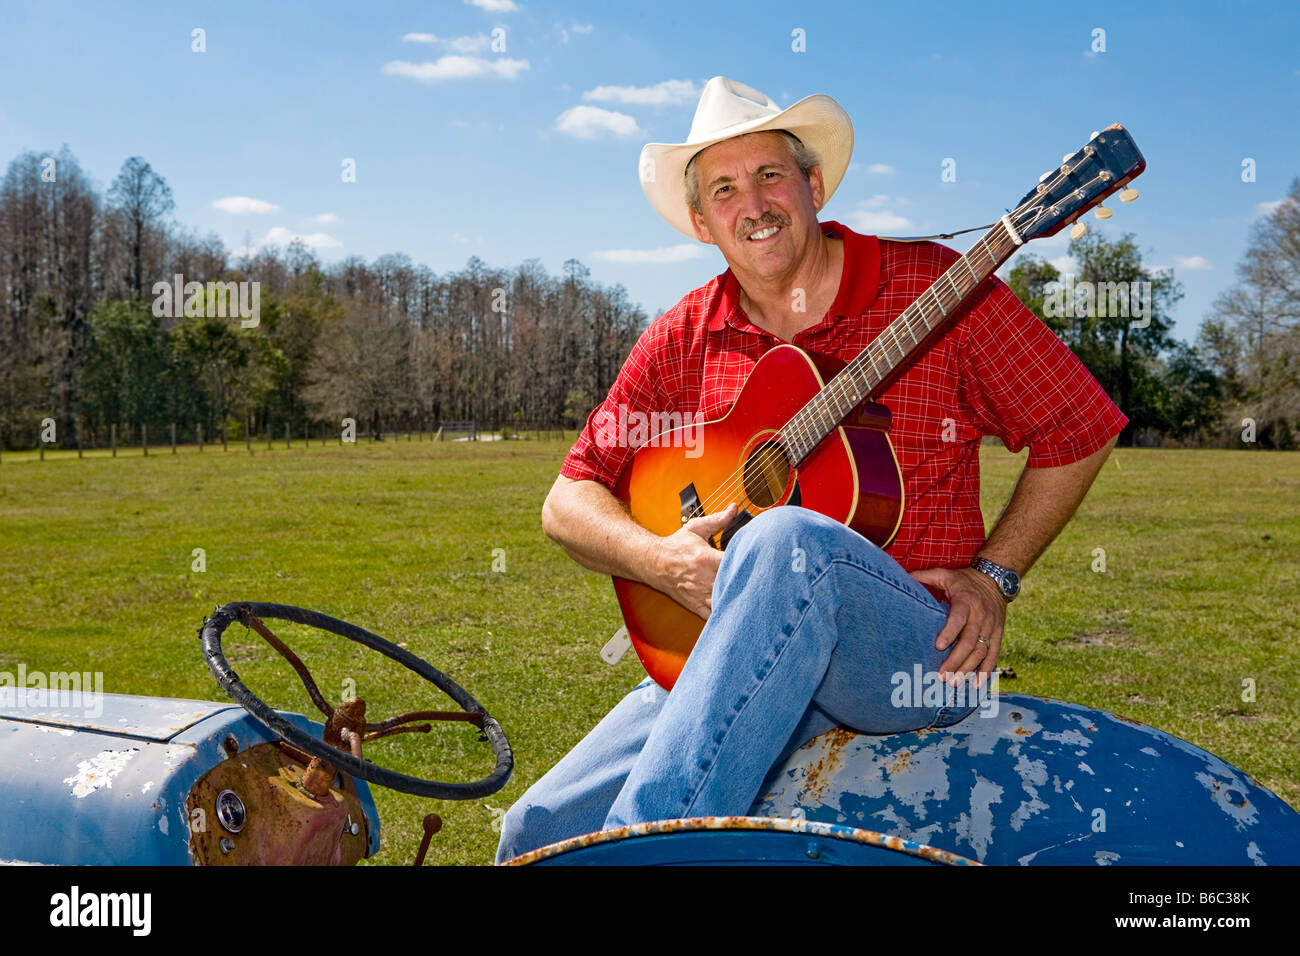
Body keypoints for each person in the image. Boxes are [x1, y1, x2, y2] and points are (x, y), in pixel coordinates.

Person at [495, 77, 1126, 863]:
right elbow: (568, 498)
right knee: (535, 831)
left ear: (814, 185)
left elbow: (1082, 426)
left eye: (769, 175)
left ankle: (650, 853)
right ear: (700, 221)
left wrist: (996, 575)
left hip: (908, 652)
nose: (751, 203)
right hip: (731, 650)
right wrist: (660, 560)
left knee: (788, 540)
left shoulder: (934, 288)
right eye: (723, 188)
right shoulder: (683, 336)